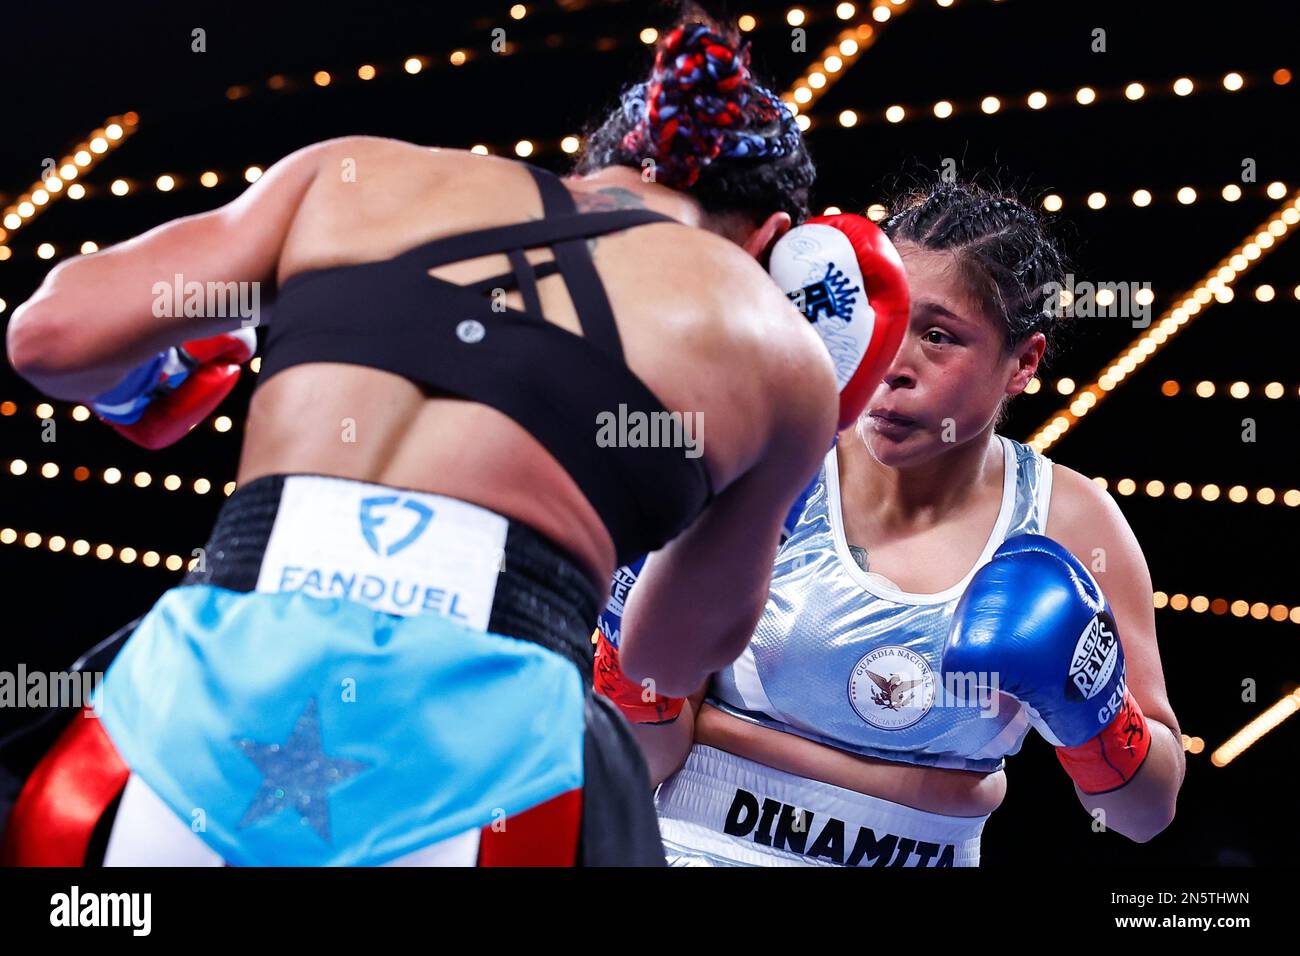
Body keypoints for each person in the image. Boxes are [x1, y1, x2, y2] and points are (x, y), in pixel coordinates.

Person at [0, 19, 842, 866]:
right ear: (775, 240)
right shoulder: (777, 345)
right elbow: (665, 656)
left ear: (587, 163)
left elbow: (47, 337)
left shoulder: (354, 173)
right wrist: (780, 458)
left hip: (185, 730)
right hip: (482, 781)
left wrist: (151, 378)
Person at [597, 181, 1186, 866]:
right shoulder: (775, 463)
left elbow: (1142, 816)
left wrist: (1095, 714)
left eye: (938, 337)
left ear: (1023, 363)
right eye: (888, 324)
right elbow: (637, 763)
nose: (892, 370)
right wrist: (622, 656)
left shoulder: (1070, 522)